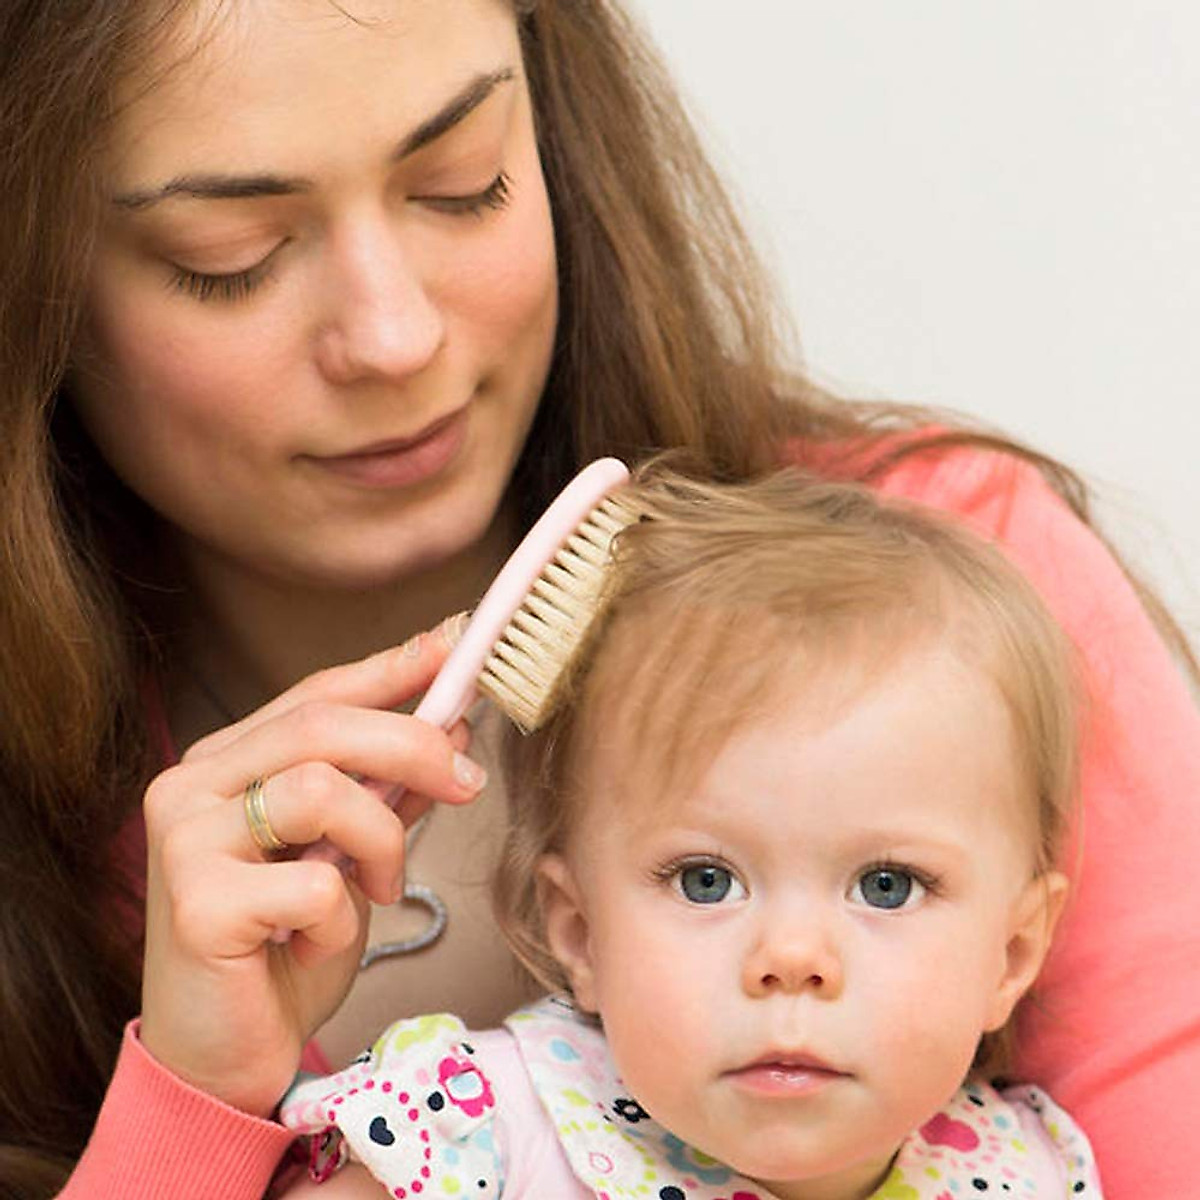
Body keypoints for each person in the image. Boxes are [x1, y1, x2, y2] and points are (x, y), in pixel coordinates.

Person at [0, 0, 1194, 1196]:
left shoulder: (959, 599)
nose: (395, 335)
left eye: (462, 182)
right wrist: (187, 1110)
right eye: (232, 255)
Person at [276, 467, 1103, 1199]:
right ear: (582, 932)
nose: (791, 960)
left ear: (1012, 954)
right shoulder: (481, 1134)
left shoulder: (1027, 1171)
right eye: (707, 880)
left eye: (886, 885)